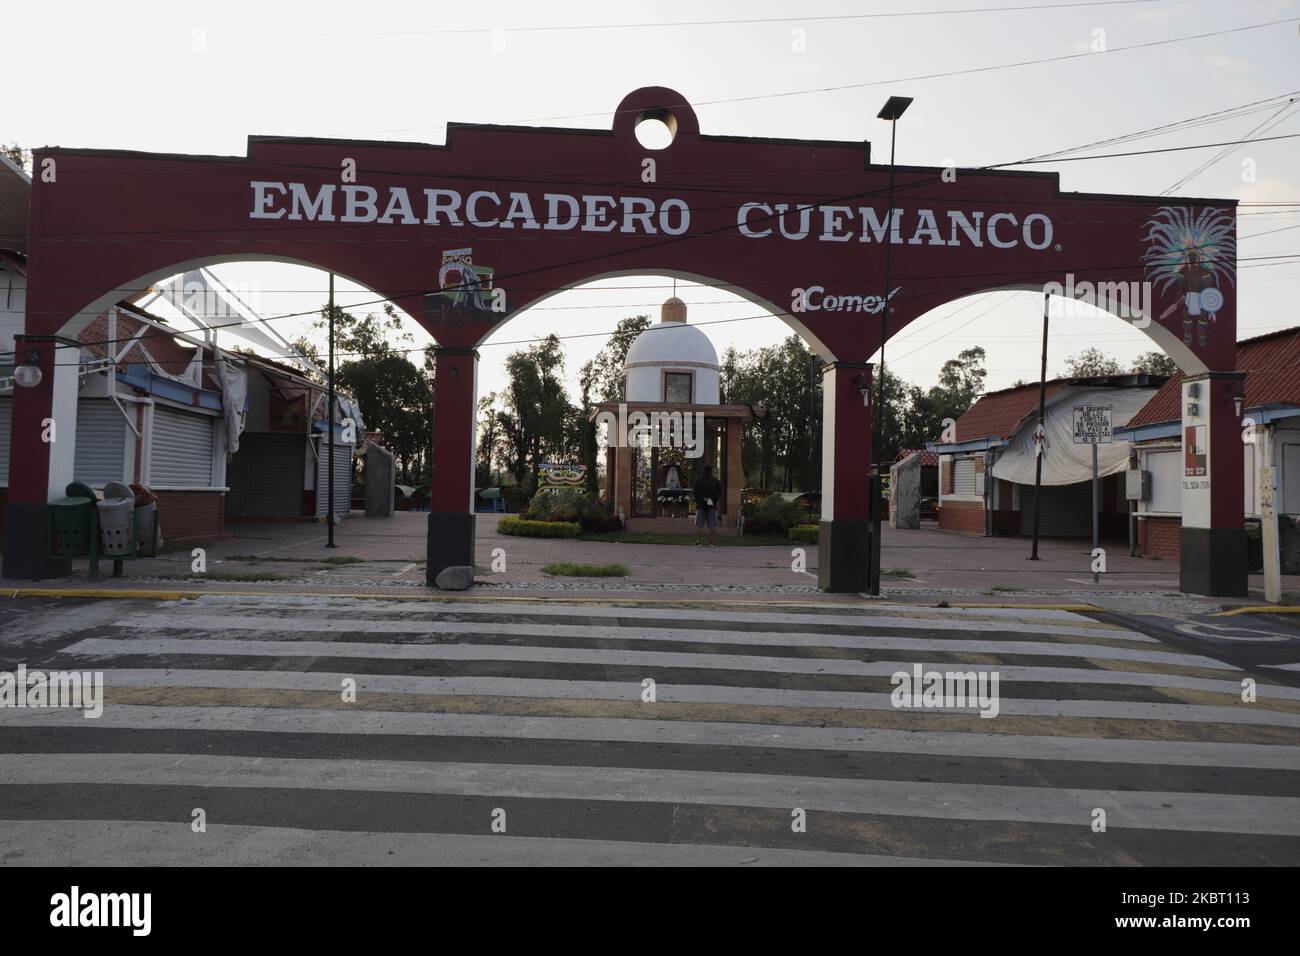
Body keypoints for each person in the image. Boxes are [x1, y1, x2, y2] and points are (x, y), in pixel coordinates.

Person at [692, 464, 723, 546]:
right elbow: (719, 492)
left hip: (701, 505)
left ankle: (699, 542)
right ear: (711, 471)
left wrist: (702, 499)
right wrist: (712, 499)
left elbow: (695, 492)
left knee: (699, 525)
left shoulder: (698, 480)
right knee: (712, 524)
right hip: (711, 506)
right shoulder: (715, 481)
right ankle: (712, 542)